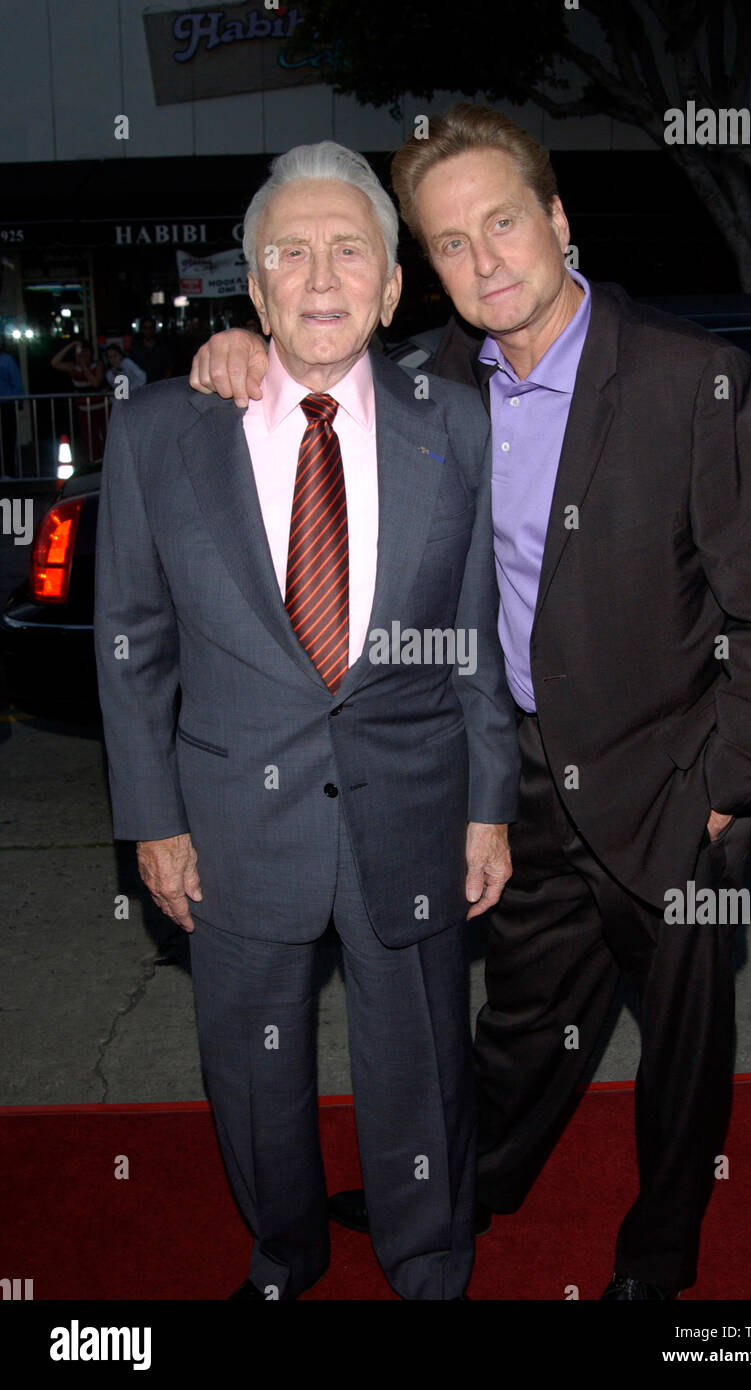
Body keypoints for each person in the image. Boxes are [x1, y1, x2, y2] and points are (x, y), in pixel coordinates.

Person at [190, 105, 751, 1300]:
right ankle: (475, 1178)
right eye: (448, 242)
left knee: (682, 1042)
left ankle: (659, 1252)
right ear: (425, 271)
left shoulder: (694, 380)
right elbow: (311, 378)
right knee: (524, 1018)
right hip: (515, 774)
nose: (483, 260)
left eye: (501, 223)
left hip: (670, 777)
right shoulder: (432, 386)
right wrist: (236, 351)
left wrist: (725, 790)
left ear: (556, 218)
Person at [94, 139, 519, 1301]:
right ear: (255, 284)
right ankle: (283, 1253)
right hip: (231, 817)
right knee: (250, 1070)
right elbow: (132, 646)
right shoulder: (162, 433)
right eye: (291, 253)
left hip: (415, 807)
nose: (320, 277)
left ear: (392, 288)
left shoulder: (458, 423)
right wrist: (153, 821)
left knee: (422, 1064)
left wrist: (490, 806)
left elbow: (476, 636)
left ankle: (429, 1261)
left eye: (350, 251)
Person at [50, 338, 108, 464]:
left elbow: (95, 383)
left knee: (107, 436)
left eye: (86, 351)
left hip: (101, 408)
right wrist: (70, 346)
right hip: (84, 410)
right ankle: (94, 463)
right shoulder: (73, 367)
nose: (84, 355)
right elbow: (54, 362)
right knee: (90, 440)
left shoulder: (97, 365)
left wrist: (84, 367)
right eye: (81, 352)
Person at [0, 338, 24, 474]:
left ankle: (9, 471)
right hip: (7, 403)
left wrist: (19, 401)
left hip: (6, 405)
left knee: (8, 439)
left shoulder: (6, 360)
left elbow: (16, 381)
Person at [128, 316, 172, 382]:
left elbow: (168, 367)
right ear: (141, 329)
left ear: (154, 329)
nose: (148, 331)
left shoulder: (162, 347)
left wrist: (165, 382)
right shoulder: (135, 348)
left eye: (150, 328)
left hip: (159, 383)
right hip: (140, 384)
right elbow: (130, 369)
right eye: (145, 328)